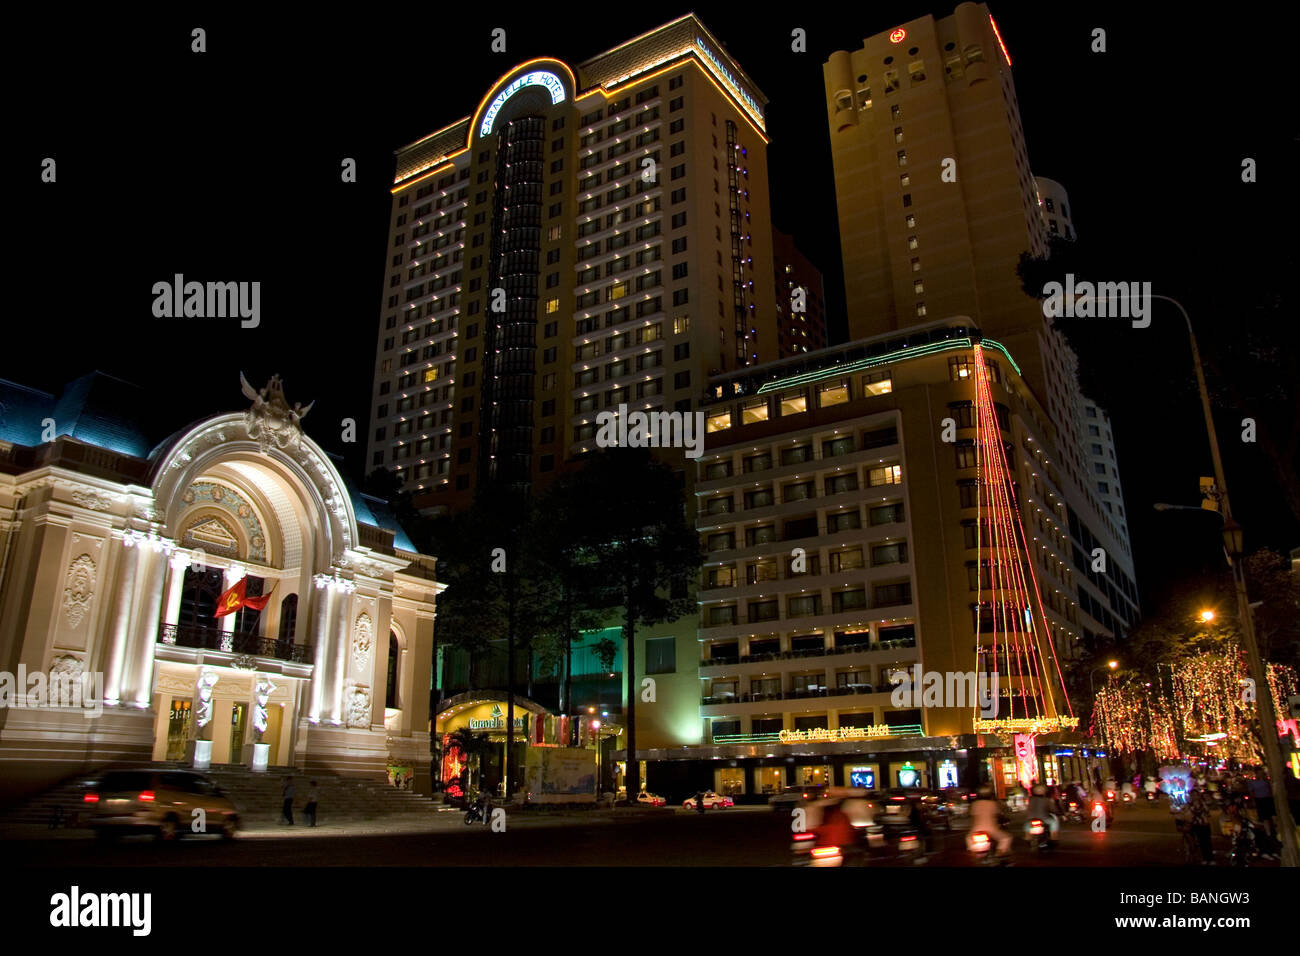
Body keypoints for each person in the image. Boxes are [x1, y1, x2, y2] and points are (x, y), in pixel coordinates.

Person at [970, 786, 1012, 862]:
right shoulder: (993, 804)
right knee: (1006, 838)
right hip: (991, 829)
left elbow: (972, 816)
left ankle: (973, 852)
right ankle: (999, 853)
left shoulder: (974, 804)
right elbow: (998, 814)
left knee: (969, 839)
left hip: (976, 829)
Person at [1188, 786, 1214, 865]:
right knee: (1201, 843)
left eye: (1196, 795)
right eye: (1193, 795)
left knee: (1208, 842)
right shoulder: (1190, 805)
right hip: (1196, 826)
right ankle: (1205, 858)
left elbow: (1208, 813)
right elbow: (1188, 815)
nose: (1194, 797)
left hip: (1205, 825)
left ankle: (1210, 859)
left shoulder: (1203, 803)